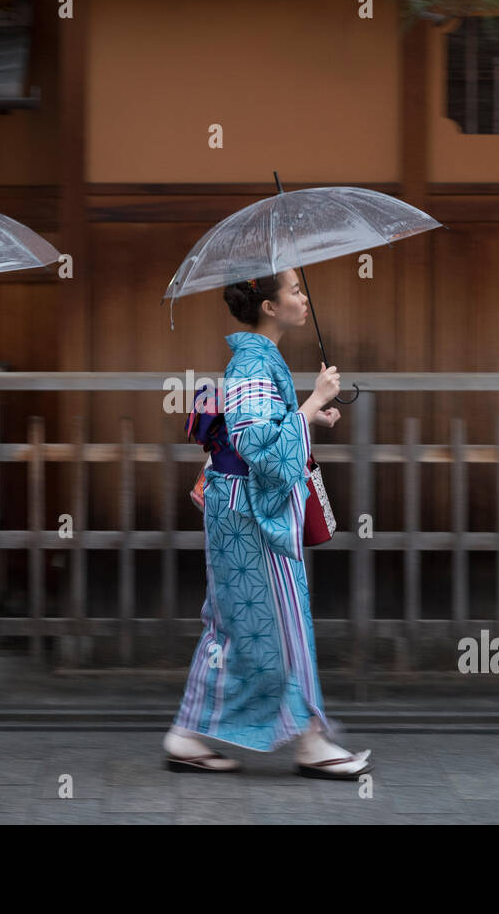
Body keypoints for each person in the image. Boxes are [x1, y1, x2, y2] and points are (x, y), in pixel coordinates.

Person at [164, 268, 373, 779]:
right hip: (251, 515)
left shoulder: (256, 360)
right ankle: (309, 740)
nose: (304, 298)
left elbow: (256, 431)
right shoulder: (253, 364)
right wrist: (314, 401)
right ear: (270, 308)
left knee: (236, 624)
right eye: (295, 290)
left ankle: (188, 732)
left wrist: (306, 416)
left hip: (234, 507)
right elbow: (261, 450)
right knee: (281, 623)